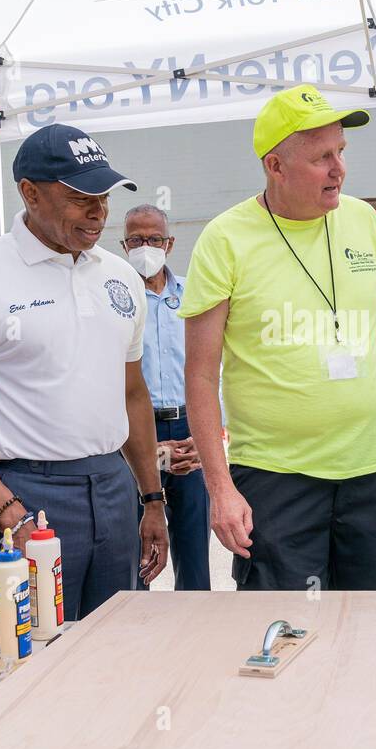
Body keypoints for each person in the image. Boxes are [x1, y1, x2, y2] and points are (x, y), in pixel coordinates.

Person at [181, 84, 376, 591]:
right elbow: (199, 372)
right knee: (288, 632)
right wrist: (220, 487)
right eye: (321, 157)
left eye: (341, 153)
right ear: (275, 166)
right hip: (275, 477)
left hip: (373, 469)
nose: (339, 169)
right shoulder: (226, 238)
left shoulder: (363, 219)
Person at [0, 124, 169, 621]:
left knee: (121, 640)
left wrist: (152, 499)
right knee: (34, 653)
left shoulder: (120, 277)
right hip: (28, 492)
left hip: (114, 489)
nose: (98, 211)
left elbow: (133, 394)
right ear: (30, 193)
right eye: (80, 197)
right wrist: (8, 513)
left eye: (104, 196)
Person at [120, 204, 210, 590]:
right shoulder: (116, 298)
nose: (146, 247)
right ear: (124, 245)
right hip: (136, 430)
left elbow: (214, 368)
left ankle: (196, 630)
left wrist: (207, 437)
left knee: (194, 549)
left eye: (154, 239)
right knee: (136, 546)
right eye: (137, 239)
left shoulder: (194, 295)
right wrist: (150, 449)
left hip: (190, 429)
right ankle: (137, 629)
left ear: (169, 243)